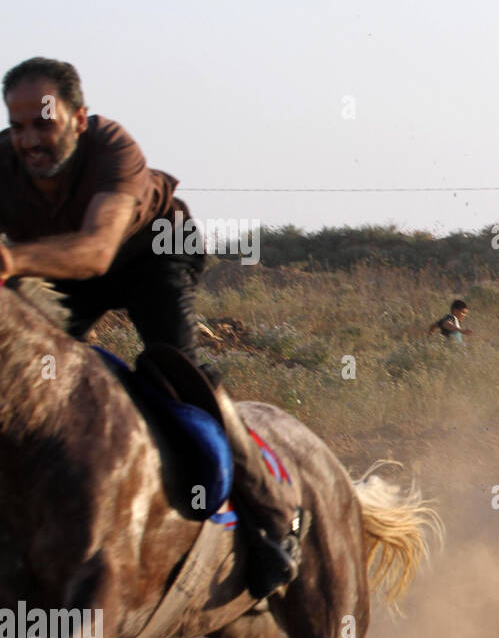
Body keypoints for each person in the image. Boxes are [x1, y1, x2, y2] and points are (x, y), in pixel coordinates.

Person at [0, 57, 304, 598]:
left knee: (177, 372)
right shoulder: (3, 160)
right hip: (57, 265)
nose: (29, 140)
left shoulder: (115, 149)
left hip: (152, 253)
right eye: (18, 125)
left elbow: (96, 252)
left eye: (44, 123)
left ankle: (273, 515)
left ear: (79, 118)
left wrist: (10, 261)